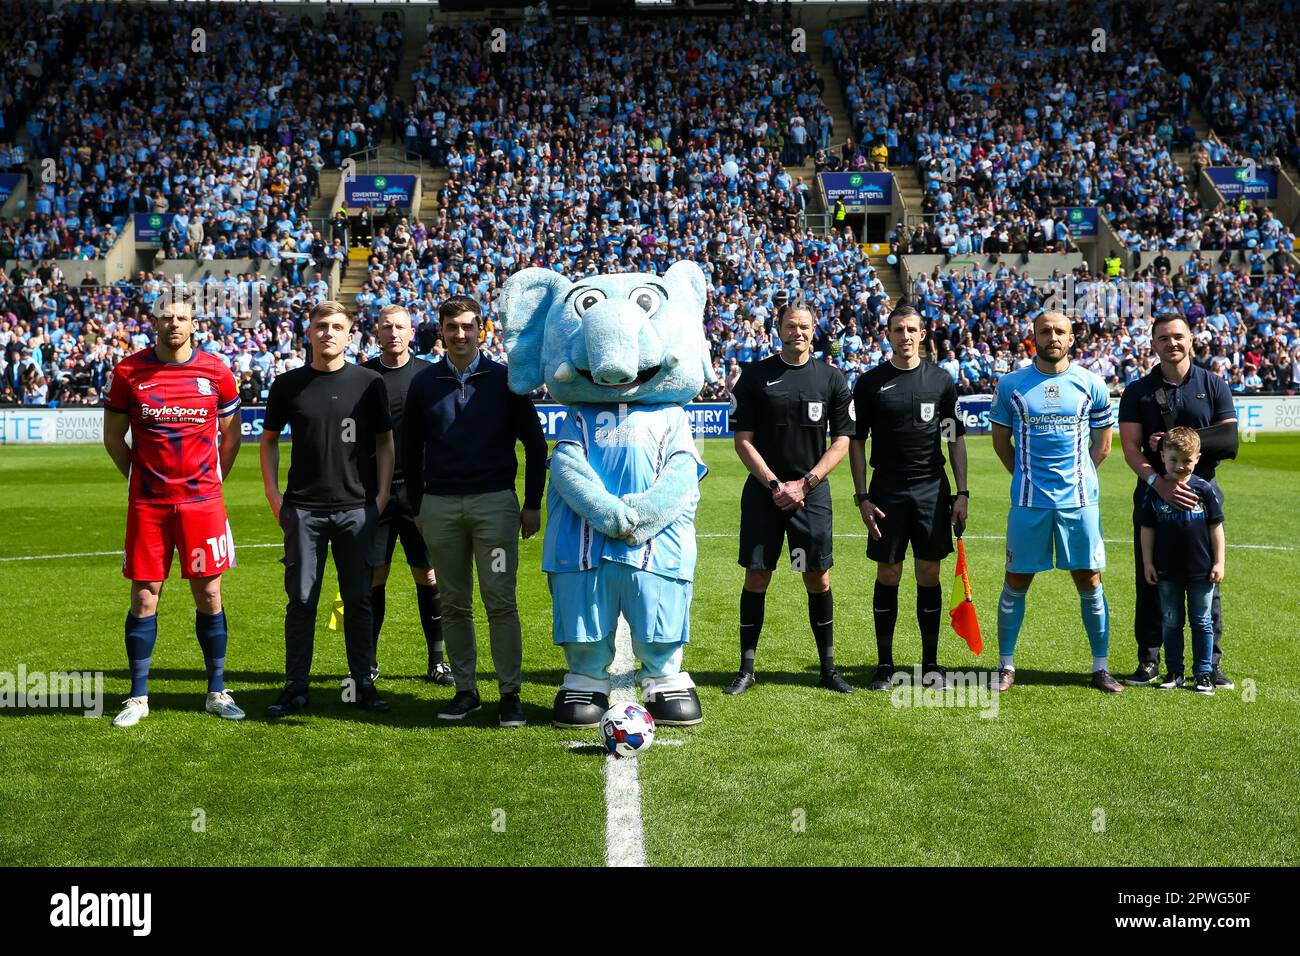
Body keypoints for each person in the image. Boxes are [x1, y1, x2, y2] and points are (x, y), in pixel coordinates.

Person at [403, 295, 547, 727]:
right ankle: (466, 690)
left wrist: (532, 503)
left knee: (500, 601)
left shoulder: (505, 380)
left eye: (468, 326)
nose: (460, 334)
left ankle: (510, 694)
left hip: (494, 508)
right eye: (452, 328)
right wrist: (418, 505)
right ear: (441, 333)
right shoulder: (425, 383)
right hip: (441, 508)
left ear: (480, 330)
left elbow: (536, 444)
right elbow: (409, 448)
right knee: (454, 602)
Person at [102, 298, 244, 727]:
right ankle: (138, 696)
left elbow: (231, 437)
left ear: (193, 324)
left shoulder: (216, 371)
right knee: (145, 596)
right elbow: (113, 438)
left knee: (209, 594)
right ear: (155, 323)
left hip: (202, 503)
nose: (173, 324)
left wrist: (214, 483)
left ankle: (217, 691)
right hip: (148, 505)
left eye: (181, 317)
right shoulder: (129, 371)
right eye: (166, 317)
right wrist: (141, 479)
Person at [260, 300, 395, 718]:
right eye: (321, 326)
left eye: (337, 326)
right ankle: (295, 686)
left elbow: (384, 442)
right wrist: (273, 493)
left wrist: (382, 495)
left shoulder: (370, 383)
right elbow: (267, 441)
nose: (328, 333)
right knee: (301, 600)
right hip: (303, 511)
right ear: (310, 333)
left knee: (358, 601)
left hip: (357, 508)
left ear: (350, 334)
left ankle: (362, 686)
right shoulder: (287, 384)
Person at [989, 310, 1124, 694]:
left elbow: (1103, 446)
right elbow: (1002, 444)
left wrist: (1078, 476)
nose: (1053, 336)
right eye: (1045, 330)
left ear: (1071, 338)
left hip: (1079, 501)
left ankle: (1100, 668)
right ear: (1033, 335)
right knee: (1016, 579)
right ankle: (1006, 664)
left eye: (1060, 331)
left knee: (1089, 578)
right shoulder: (1011, 385)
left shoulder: (1090, 383)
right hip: (1029, 501)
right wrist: (1025, 477)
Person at [726, 302, 855, 696]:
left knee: (817, 576)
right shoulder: (755, 376)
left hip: (811, 496)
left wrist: (805, 483)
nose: (796, 332)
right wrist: (775, 485)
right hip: (766, 494)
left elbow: (842, 441)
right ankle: (747, 668)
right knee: (757, 575)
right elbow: (742, 441)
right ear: (777, 328)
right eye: (789, 325)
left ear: (814, 329)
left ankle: (827, 669)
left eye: (803, 326)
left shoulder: (832, 378)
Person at [849, 304, 969, 690]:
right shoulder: (870, 382)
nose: (905, 336)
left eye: (911, 329)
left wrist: (962, 491)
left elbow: (954, 437)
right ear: (888, 334)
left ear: (922, 334)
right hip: (886, 488)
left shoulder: (940, 381)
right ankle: (885, 665)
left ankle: (930, 664)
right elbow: (856, 441)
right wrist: (862, 496)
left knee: (929, 572)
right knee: (889, 572)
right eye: (898, 329)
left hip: (932, 489)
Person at [1117, 313, 1237, 688]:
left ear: (1191, 340)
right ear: (1153, 344)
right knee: (1151, 577)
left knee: (1206, 579)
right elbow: (1130, 448)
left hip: (1203, 497)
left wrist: (1173, 439)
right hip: (1153, 496)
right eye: (1164, 338)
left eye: (1178, 337)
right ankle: (1149, 660)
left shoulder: (1213, 384)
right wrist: (1157, 482)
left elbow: (1230, 442)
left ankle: (1209, 664)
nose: (1172, 343)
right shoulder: (1138, 390)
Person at [361, 304, 452, 685]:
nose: (393, 333)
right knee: (374, 578)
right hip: (375, 494)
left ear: (412, 332)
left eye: (400, 327)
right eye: (386, 327)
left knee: (428, 576)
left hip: (419, 494)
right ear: (377, 333)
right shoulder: (362, 375)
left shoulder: (428, 375)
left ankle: (437, 660)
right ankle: (368, 661)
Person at [1138, 427, 1226, 695]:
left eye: (1186, 460)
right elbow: (1147, 529)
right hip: (1167, 571)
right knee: (1172, 622)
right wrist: (1148, 563)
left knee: (1201, 622)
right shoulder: (1155, 492)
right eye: (1173, 459)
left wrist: (1219, 562)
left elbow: (1215, 527)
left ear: (1197, 458)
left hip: (1201, 571)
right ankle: (1174, 671)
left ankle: (1203, 674)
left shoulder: (1204, 489)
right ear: (1163, 457)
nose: (1180, 465)